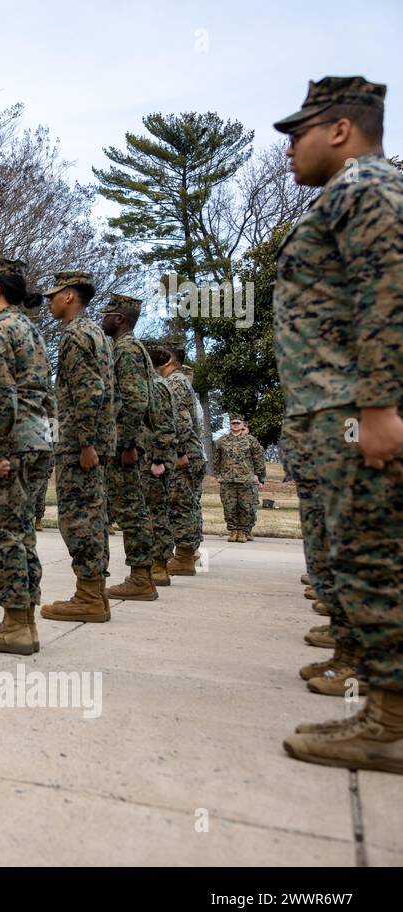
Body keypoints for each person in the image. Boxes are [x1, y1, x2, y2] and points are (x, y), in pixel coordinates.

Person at [269, 77, 403, 773]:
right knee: (360, 559)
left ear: (342, 130)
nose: (289, 148)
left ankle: (389, 721)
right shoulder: (353, 193)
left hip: (356, 411)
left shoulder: (364, 189)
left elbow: (387, 292)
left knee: (374, 563)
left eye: (299, 134)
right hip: (342, 407)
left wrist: (379, 408)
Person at [0, 257, 54, 655]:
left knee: (1, 534)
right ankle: (24, 621)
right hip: (35, 441)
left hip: (10, 446)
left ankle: (15, 624)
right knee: (20, 532)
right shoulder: (31, 331)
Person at [39, 271, 115, 623]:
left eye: (54, 295)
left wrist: (85, 442)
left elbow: (88, 391)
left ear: (69, 296)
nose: (50, 301)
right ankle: (95, 592)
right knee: (93, 516)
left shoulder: (74, 335)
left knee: (78, 519)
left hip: (79, 444)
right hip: (91, 441)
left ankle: (88, 596)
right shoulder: (96, 332)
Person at [101, 295, 159, 601]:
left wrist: (128, 443)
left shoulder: (126, 349)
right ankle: (141, 575)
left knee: (131, 508)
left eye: (108, 314)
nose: (104, 319)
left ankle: (140, 577)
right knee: (130, 507)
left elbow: (135, 400)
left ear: (120, 319)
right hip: (127, 439)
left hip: (126, 442)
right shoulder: (125, 348)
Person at [158, 346, 205, 576]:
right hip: (189, 451)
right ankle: (189, 552)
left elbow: (180, 420)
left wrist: (179, 453)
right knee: (189, 505)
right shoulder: (180, 381)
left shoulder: (174, 382)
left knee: (180, 506)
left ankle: (184, 558)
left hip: (183, 453)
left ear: (168, 360)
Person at [142, 348, 178, 585]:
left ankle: (159, 566)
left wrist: (157, 460)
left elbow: (164, 426)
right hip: (146, 458)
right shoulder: (149, 383)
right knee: (149, 513)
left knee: (156, 513)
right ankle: (152, 564)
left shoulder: (155, 385)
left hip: (154, 462)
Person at [213, 417, 266, 542]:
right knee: (229, 507)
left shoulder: (251, 440)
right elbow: (216, 459)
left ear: (243, 425)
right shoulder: (222, 441)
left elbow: (258, 459)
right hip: (227, 480)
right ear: (230, 424)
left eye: (238, 423)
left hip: (246, 479)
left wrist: (260, 476)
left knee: (246, 507)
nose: (235, 425)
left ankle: (243, 531)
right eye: (233, 423)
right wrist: (217, 474)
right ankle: (233, 531)